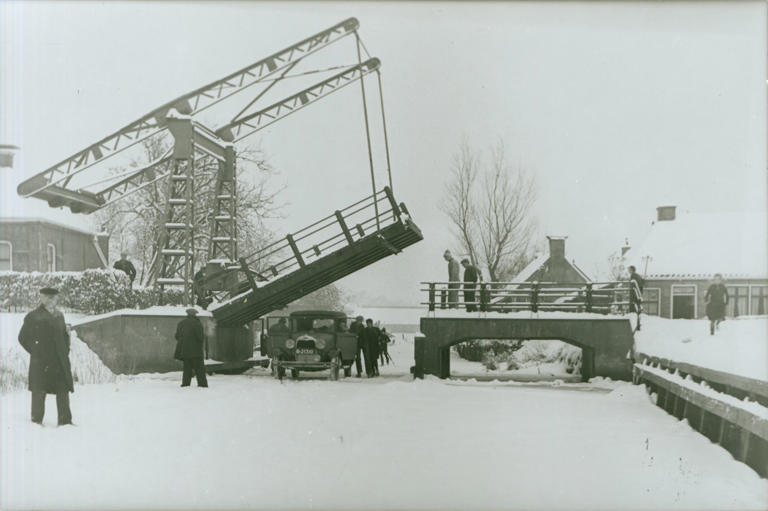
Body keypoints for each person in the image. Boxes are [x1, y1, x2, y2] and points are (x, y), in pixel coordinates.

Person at [18, 287, 74, 426]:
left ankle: (65, 422)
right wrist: (36, 351)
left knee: (63, 390)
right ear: (42, 298)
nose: (51, 300)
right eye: (48, 297)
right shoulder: (33, 316)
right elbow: (22, 338)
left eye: (53, 297)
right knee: (39, 390)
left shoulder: (59, 316)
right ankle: (36, 422)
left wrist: (66, 345)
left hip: (59, 361)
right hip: (41, 362)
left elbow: (63, 337)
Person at [175, 308, 208, 388]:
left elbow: (177, 336)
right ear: (194, 314)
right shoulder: (197, 323)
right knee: (199, 369)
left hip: (185, 351)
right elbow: (200, 337)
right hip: (196, 351)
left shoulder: (181, 323)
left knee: (187, 368)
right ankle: (202, 385)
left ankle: (185, 384)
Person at [628, 265, 645, 331]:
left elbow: (633, 284)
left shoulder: (633, 276)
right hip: (638, 294)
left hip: (634, 295)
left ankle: (635, 323)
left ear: (632, 270)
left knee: (633, 307)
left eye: (629, 269)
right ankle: (638, 322)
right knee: (637, 307)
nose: (628, 271)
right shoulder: (638, 276)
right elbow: (642, 284)